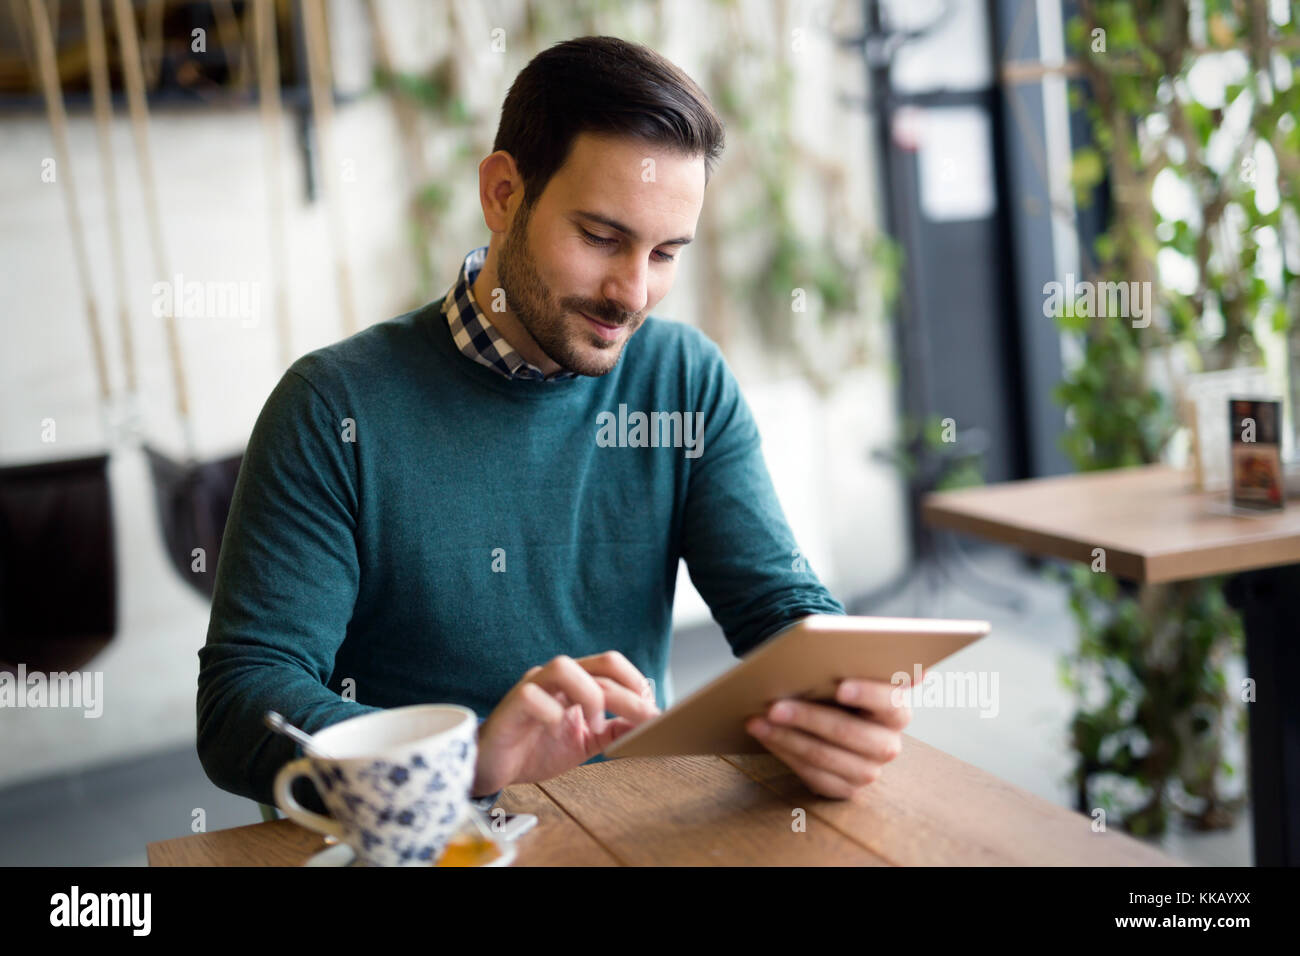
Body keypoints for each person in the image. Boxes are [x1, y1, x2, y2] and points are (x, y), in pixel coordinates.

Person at [197, 35, 911, 817]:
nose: (632, 293)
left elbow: (776, 606)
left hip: (622, 825)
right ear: (503, 194)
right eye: (601, 238)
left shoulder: (683, 382)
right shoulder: (334, 407)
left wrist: (841, 695)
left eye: (666, 252)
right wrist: (462, 758)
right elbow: (244, 702)